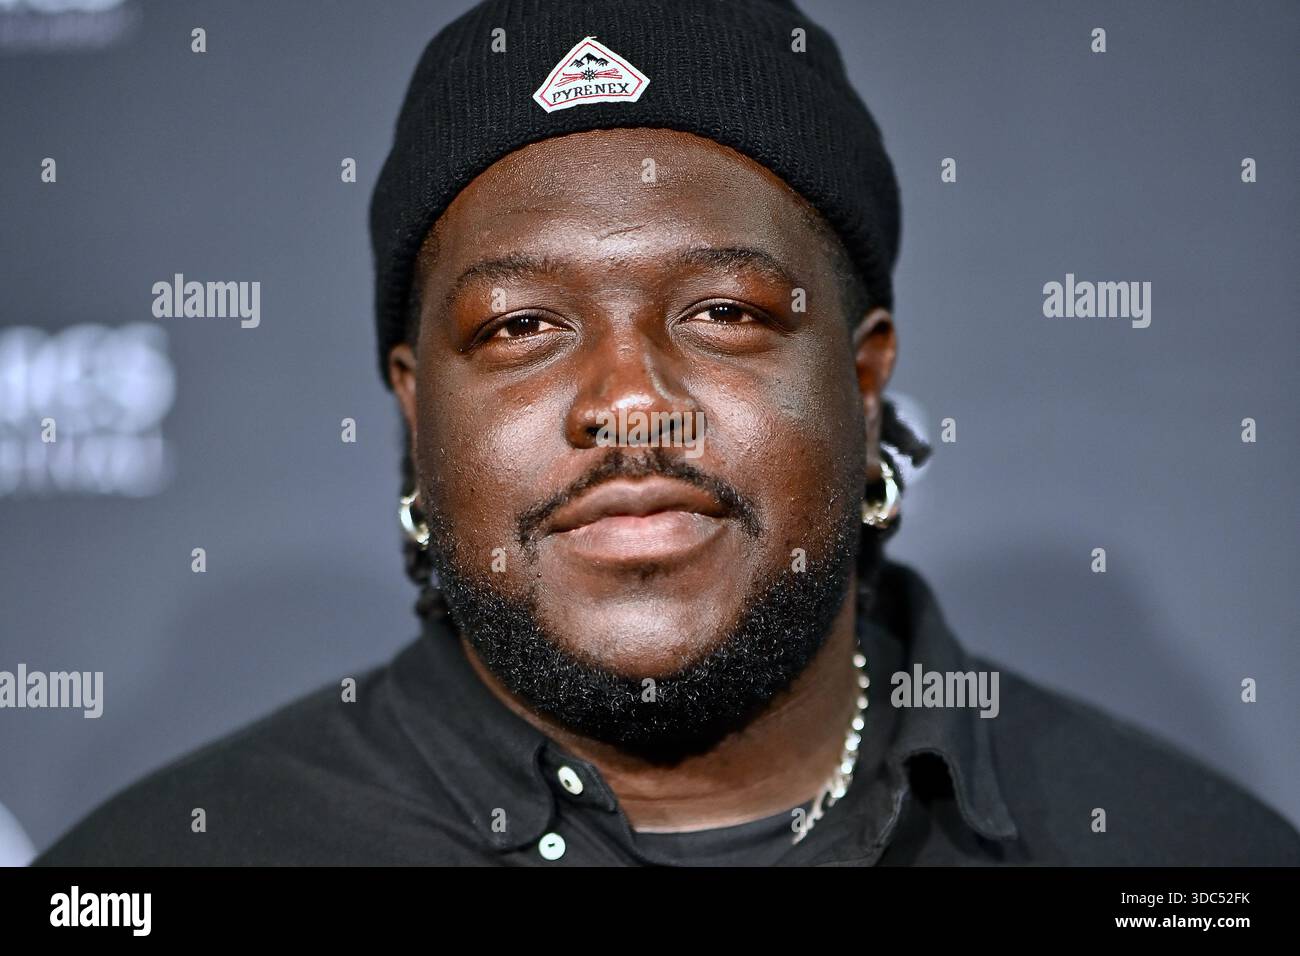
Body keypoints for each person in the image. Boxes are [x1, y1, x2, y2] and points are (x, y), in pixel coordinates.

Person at [34, 0, 1299, 866]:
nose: (629, 399)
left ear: (864, 387)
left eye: (724, 311)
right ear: (417, 413)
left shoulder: (1172, 852)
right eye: (522, 326)